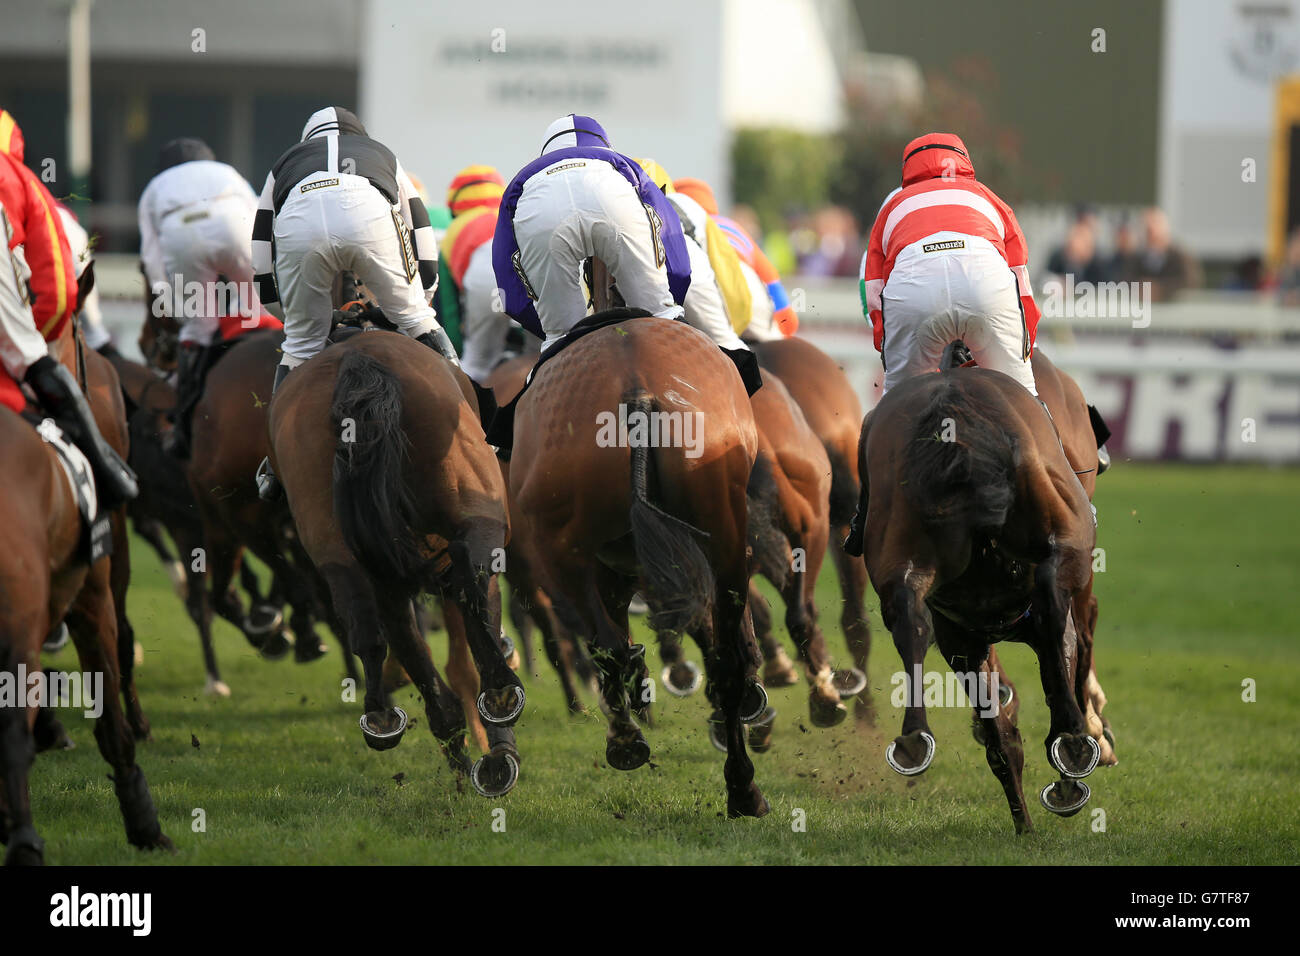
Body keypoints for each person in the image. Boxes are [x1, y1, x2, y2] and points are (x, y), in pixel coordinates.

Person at [251, 106, 458, 499]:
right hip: (366, 215)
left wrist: (297, 322)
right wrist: (417, 306)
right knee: (419, 320)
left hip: (301, 223)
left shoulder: (284, 164)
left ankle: (275, 464)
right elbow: (421, 232)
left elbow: (261, 252)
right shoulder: (381, 153)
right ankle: (470, 421)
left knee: (299, 347)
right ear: (357, 135)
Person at [0, 109, 137, 506]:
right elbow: (60, 295)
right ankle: (107, 474)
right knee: (39, 360)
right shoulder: (27, 184)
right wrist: (34, 346)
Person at [859, 132, 1042, 397]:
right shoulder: (987, 196)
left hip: (915, 302)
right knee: (1026, 398)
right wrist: (1025, 346)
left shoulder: (892, 204)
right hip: (987, 293)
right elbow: (1021, 280)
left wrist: (889, 353)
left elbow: (873, 292)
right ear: (965, 163)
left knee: (894, 407)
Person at [137, 137, 263, 457]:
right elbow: (264, 220)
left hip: (183, 234)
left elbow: (151, 260)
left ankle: (184, 425)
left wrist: (177, 308)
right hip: (236, 224)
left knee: (199, 330)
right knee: (262, 307)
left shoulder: (154, 188)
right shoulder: (227, 172)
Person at [673, 176, 799, 341]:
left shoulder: (677, 226)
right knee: (775, 349)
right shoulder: (731, 226)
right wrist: (786, 319)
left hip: (703, 284)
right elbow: (769, 275)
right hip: (745, 283)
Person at [438, 164, 516, 381]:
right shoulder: (511, 215)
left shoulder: (454, 229)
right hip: (530, 266)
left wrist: (456, 349)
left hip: (487, 280)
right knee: (541, 356)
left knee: (476, 365)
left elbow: (448, 308)